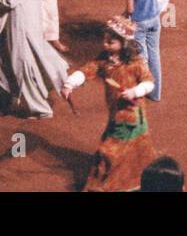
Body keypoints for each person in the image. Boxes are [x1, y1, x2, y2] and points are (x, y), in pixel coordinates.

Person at [61, 16, 157, 191]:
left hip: (130, 115)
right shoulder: (105, 59)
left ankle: (109, 185)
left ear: (123, 44)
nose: (105, 45)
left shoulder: (136, 63)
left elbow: (149, 82)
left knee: (110, 150)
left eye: (110, 42)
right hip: (116, 114)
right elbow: (88, 69)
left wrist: (134, 92)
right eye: (105, 40)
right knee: (132, 149)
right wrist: (69, 84)